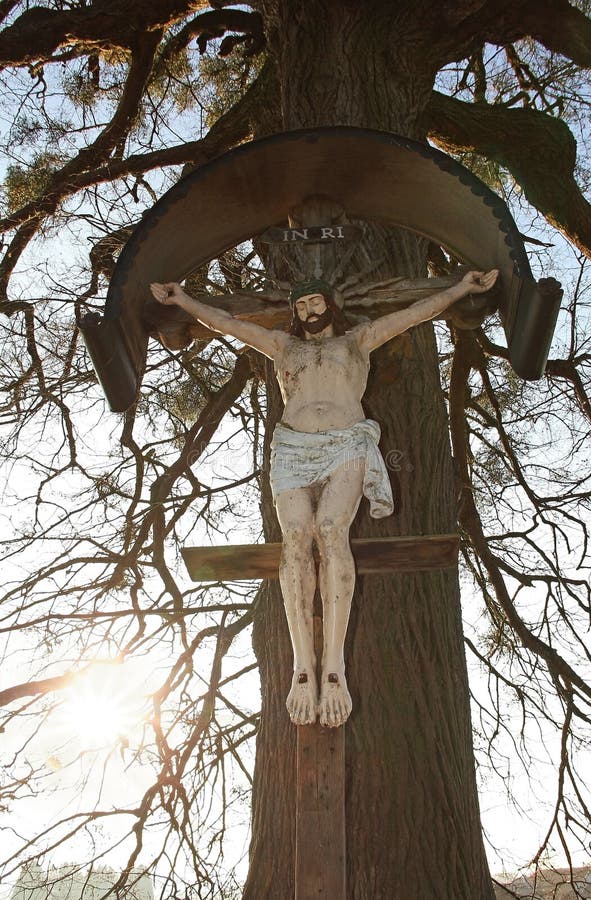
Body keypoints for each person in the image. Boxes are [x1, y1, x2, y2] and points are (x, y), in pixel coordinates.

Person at [150, 269, 498, 727]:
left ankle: (334, 666)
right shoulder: (284, 347)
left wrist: (461, 288)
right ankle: (302, 667)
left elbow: (416, 312)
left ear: (330, 305)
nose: (307, 313)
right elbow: (227, 324)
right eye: (299, 307)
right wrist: (182, 298)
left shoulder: (357, 341)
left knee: (331, 531)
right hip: (293, 449)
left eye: (314, 303)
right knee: (296, 535)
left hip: (346, 446)